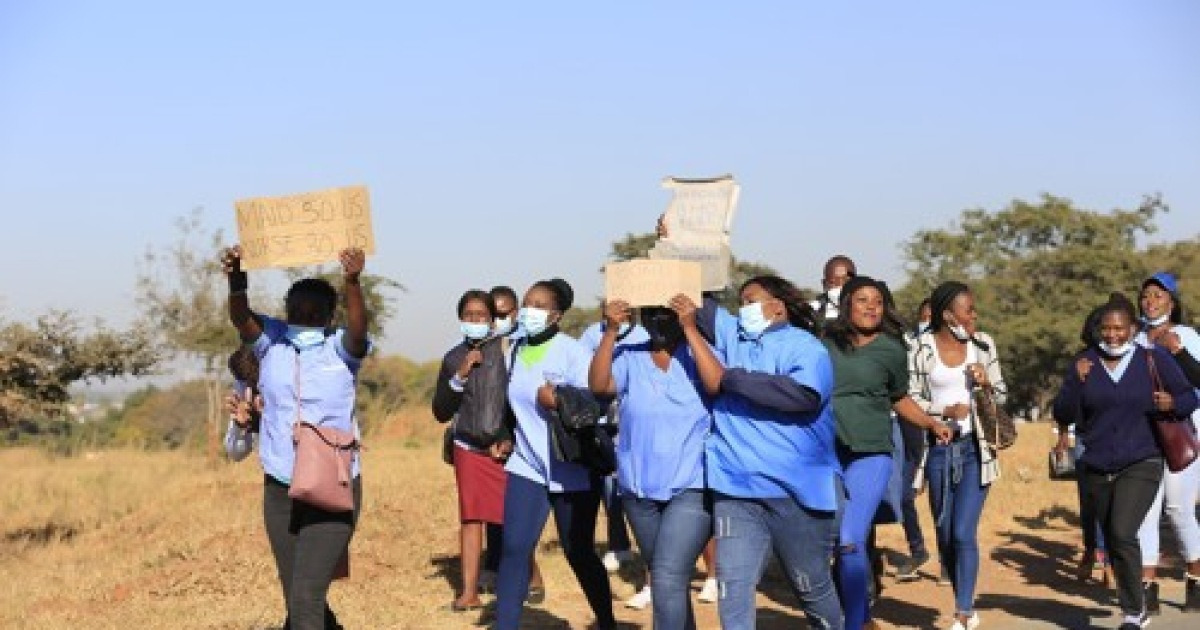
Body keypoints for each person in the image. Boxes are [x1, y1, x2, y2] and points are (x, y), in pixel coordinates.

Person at [221, 245, 370, 630]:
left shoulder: (342, 348)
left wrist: (352, 282)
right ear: (286, 310)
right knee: (298, 597)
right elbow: (241, 316)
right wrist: (237, 280)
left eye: (313, 311)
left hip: (332, 485)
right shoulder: (272, 341)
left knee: (305, 599)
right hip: (280, 486)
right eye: (296, 309)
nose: (304, 316)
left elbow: (359, 329)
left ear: (328, 314)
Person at [689, 275, 844, 630]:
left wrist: (733, 379)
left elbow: (802, 396)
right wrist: (675, 239)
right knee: (733, 587)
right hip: (736, 487)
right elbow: (695, 297)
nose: (742, 309)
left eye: (750, 300)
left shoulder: (805, 347)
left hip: (796, 490)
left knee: (810, 586)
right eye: (740, 302)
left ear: (777, 307)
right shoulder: (732, 334)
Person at [1054, 292, 1197, 630]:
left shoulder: (1153, 359)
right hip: (1097, 464)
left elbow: (1189, 397)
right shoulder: (1085, 363)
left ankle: (1134, 612)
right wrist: (1076, 381)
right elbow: (1062, 413)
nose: (1113, 335)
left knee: (1121, 530)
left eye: (1120, 328)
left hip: (1143, 459)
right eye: (1106, 329)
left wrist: (1170, 405)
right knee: (1118, 540)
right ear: (1098, 330)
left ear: (1133, 329)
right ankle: (1137, 602)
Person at [823, 277, 952, 630]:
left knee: (850, 540)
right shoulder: (825, 344)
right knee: (831, 541)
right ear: (847, 303)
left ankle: (854, 622)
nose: (870, 307)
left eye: (877, 302)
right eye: (862, 300)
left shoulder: (892, 349)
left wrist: (929, 423)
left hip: (872, 452)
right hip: (825, 454)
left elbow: (898, 397)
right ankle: (858, 617)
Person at [493, 279, 616, 630]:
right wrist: (503, 436)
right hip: (527, 465)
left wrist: (559, 398)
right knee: (514, 548)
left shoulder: (573, 353)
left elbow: (597, 403)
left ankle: (606, 621)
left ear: (557, 315)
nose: (529, 310)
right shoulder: (514, 350)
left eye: (540, 305)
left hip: (572, 469)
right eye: (527, 303)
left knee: (577, 551)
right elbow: (511, 404)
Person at [589, 299, 715, 629]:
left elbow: (717, 383)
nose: (659, 321)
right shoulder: (630, 357)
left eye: (667, 314)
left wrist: (691, 328)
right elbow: (599, 386)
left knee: (667, 575)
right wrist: (611, 332)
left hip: (691, 482)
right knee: (664, 573)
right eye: (651, 314)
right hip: (638, 485)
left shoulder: (699, 355)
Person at [909, 281, 1006, 630]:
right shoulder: (920, 348)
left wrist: (985, 385)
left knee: (964, 532)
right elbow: (909, 398)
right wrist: (940, 411)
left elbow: (1003, 394)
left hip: (975, 450)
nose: (973, 316)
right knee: (945, 532)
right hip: (938, 450)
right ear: (948, 315)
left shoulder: (983, 345)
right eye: (968, 311)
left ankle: (964, 610)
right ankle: (960, 592)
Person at [431, 289, 517, 611]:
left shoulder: (507, 353)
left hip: (502, 450)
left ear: (492, 321)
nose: (475, 321)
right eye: (469, 316)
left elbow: (514, 404)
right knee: (471, 519)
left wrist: (508, 439)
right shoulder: (453, 358)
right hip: (467, 446)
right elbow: (441, 411)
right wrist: (460, 376)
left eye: (481, 316)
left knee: (510, 518)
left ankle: (526, 576)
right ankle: (468, 592)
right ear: (460, 319)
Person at [1133, 272, 1200, 614]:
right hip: (1142, 435)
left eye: (1158, 296)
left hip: (1181, 434)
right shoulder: (1134, 337)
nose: (1151, 302)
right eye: (1146, 296)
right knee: (1146, 511)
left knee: (1178, 510)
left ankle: (1195, 577)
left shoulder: (1185, 335)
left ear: (1172, 302)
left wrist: (1181, 352)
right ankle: (1148, 590)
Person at [580, 316, 653, 608]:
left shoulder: (646, 335)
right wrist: (610, 333)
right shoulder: (591, 333)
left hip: (638, 431)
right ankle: (620, 546)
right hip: (605, 427)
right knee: (614, 494)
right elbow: (595, 381)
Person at [896, 299, 934, 582]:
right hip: (911, 423)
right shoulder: (906, 345)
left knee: (943, 500)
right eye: (924, 318)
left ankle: (949, 558)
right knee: (905, 492)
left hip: (945, 426)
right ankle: (918, 548)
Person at [809, 255, 857, 325]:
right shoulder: (813, 309)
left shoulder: (866, 309)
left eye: (847, 282)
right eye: (833, 283)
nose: (841, 287)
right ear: (824, 284)